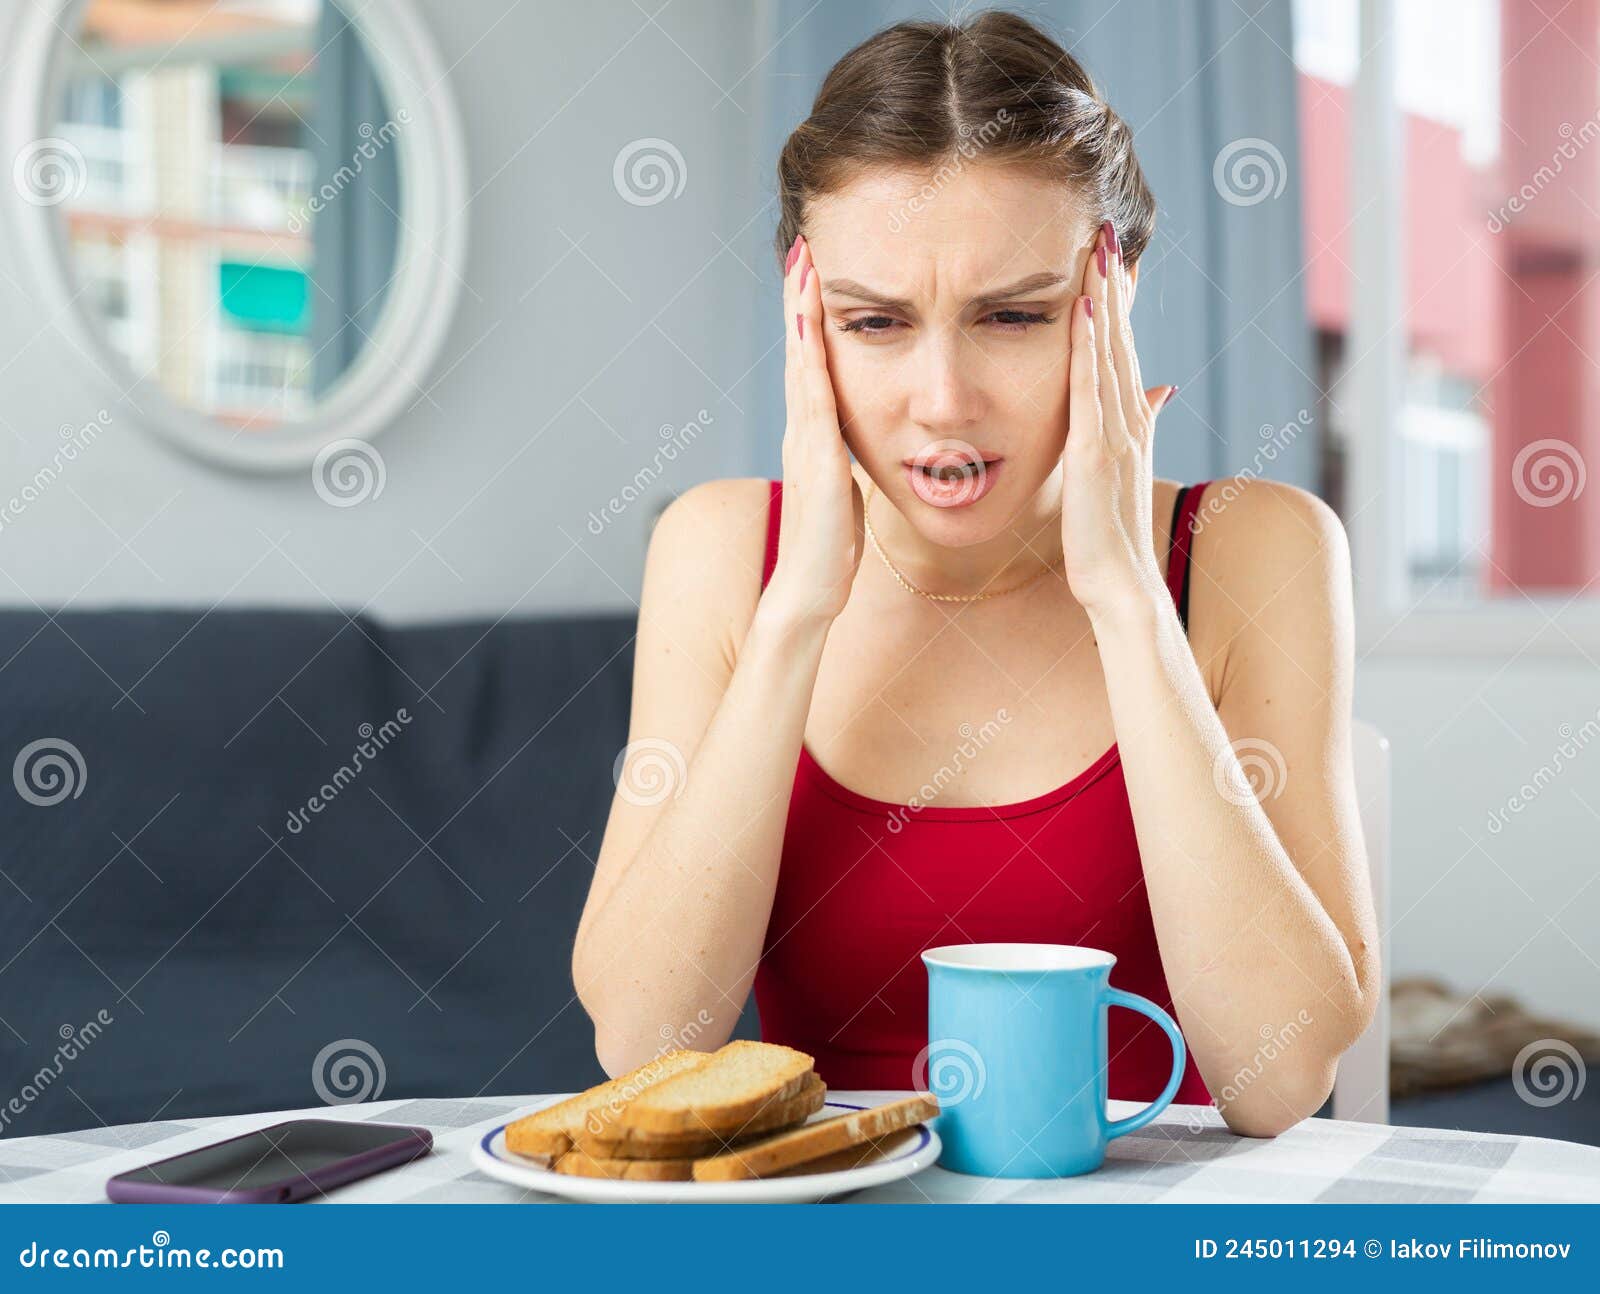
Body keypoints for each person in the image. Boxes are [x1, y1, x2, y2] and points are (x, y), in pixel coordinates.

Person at [573, 9, 1379, 1137]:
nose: (942, 398)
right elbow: (647, 1047)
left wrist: (1127, 601)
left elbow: (1278, 1081)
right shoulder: (719, 552)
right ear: (804, 315)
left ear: (1115, 294)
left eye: (1012, 315)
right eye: (874, 321)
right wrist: (797, 609)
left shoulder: (1253, 545)